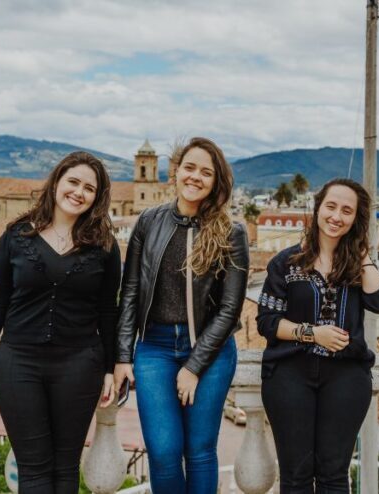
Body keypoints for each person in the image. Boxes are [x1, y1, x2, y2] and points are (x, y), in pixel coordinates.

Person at [0, 151, 121, 494]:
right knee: (34, 470)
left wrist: (110, 368)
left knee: (65, 470)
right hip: (17, 363)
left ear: (97, 198)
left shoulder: (105, 247)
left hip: (80, 364)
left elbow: (107, 311)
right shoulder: (16, 236)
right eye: (73, 182)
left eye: (89, 188)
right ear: (56, 182)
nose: (79, 192)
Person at [113, 137, 249, 494]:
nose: (195, 177)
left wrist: (194, 365)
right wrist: (123, 354)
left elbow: (230, 308)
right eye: (190, 168)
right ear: (175, 172)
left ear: (216, 182)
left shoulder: (231, 232)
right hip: (154, 349)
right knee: (162, 451)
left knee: (200, 451)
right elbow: (130, 291)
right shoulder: (148, 221)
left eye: (206, 172)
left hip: (210, 350)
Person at [257, 177, 379, 493]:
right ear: (318, 208)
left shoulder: (357, 266)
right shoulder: (286, 262)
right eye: (331, 206)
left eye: (347, 211)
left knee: (334, 476)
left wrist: (361, 253)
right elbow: (266, 321)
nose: (336, 216)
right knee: (296, 476)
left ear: (355, 219)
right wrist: (312, 334)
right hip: (289, 373)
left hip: (346, 376)